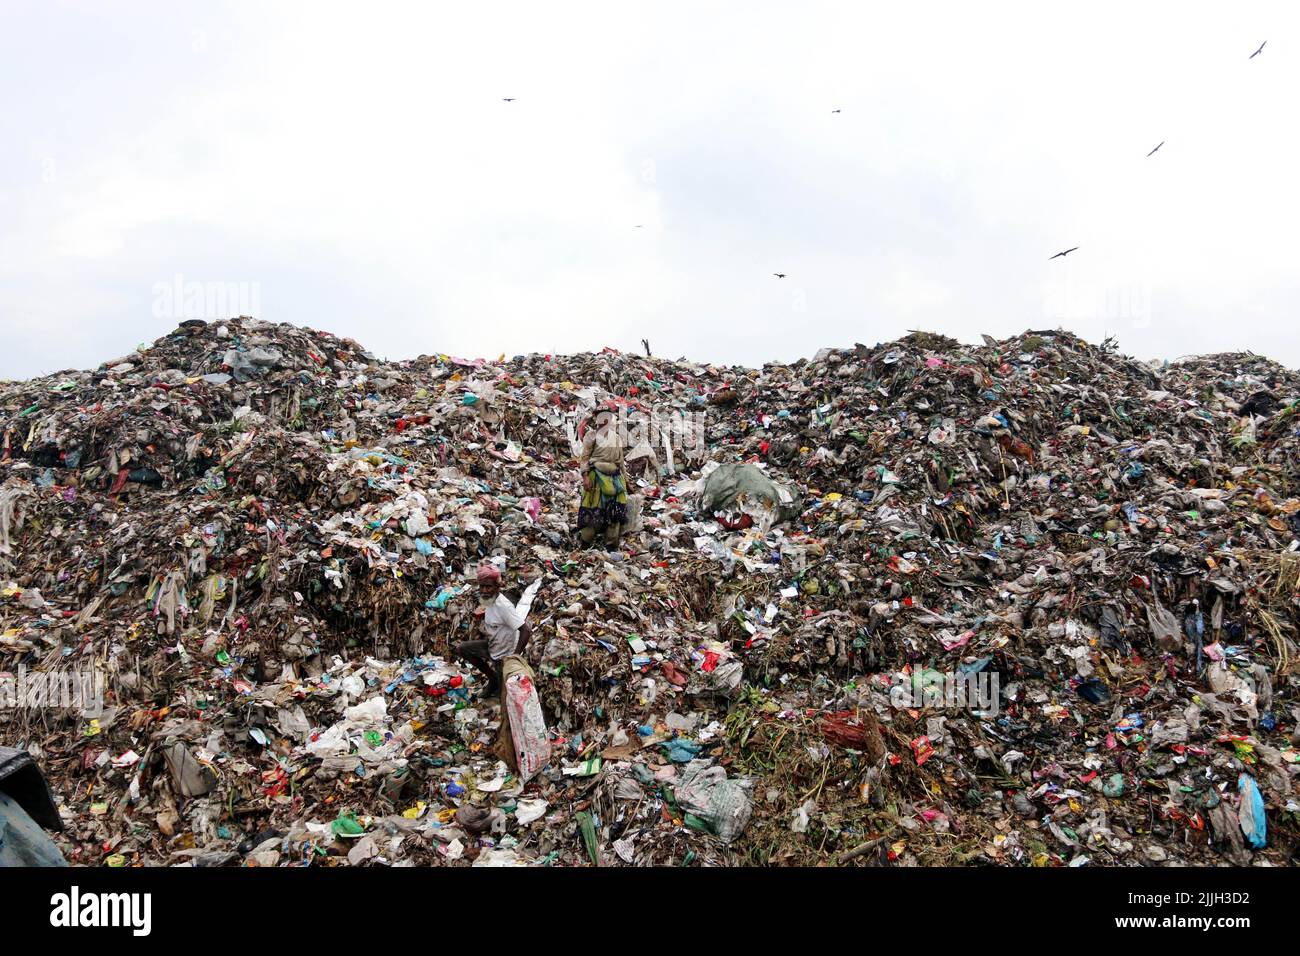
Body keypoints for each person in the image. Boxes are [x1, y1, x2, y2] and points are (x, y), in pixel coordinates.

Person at [454, 563, 531, 697]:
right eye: (482, 586)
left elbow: (526, 630)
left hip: (504, 655)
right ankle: (492, 678)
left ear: (497, 587)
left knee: (504, 696)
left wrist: (515, 657)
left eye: (488, 586)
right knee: (463, 648)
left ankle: (498, 682)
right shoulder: (488, 600)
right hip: (493, 646)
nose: (484, 590)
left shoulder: (503, 606)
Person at [577, 409, 629, 549]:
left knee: (614, 513)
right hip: (596, 478)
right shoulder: (591, 436)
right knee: (593, 510)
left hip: (615, 478)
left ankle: (611, 545)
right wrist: (585, 476)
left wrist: (626, 482)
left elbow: (621, 462)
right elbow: (585, 458)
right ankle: (585, 543)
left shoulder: (616, 438)